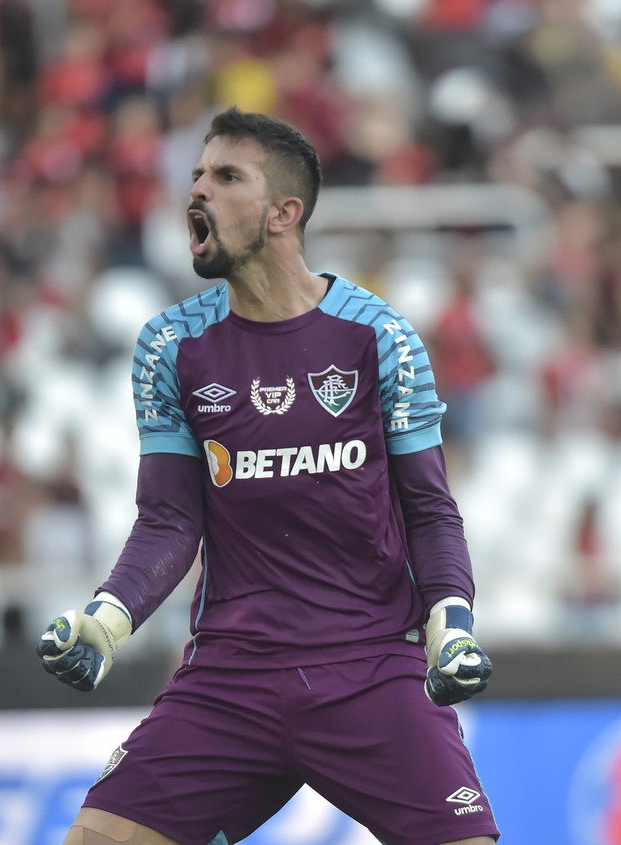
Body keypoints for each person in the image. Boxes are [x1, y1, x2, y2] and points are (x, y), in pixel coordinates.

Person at [36, 107, 500, 845]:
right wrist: (106, 619)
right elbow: (169, 519)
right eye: (197, 175)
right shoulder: (171, 345)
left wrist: (451, 625)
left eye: (226, 177)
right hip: (231, 678)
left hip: (372, 668)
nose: (198, 190)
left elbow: (431, 510)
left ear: (284, 212)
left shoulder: (380, 337)